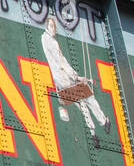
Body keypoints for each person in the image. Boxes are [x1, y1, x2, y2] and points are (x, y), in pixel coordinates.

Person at [40, 16, 110, 145]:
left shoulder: (44, 39)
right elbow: (61, 61)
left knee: (81, 104)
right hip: (65, 79)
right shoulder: (51, 42)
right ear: (47, 27)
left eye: (54, 26)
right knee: (89, 98)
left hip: (59, 83)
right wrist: (76, 77)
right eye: (52, 26)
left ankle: (93, 133)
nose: (54, 28)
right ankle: (103, 121)